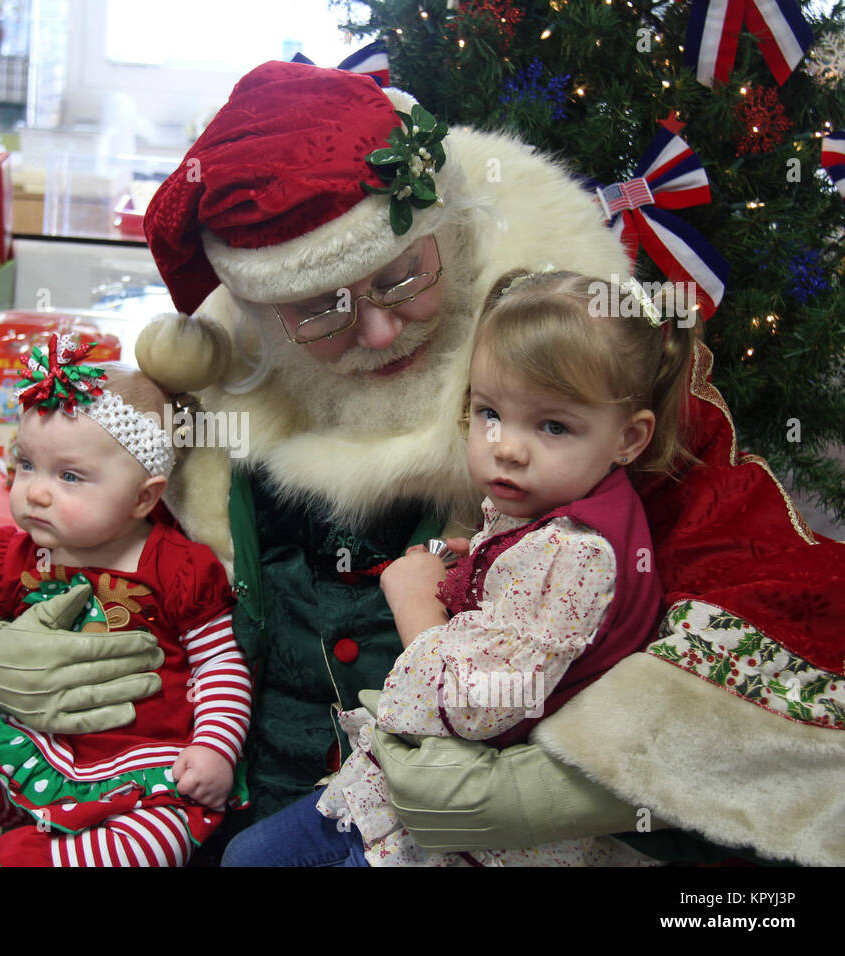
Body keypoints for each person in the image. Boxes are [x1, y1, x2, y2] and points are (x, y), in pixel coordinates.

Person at [0, 60, 845, 866]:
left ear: (448, 231)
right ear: (262, 306)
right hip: (224, 799)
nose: (379, 332)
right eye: (322, 310)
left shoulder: (574, 365)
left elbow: (767, 587)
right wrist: (4, 653)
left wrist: (551, 793)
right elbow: (96, 522)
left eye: (402, 278)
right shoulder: (216, 387)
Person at [223, 268, 699, 866]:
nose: (507, 446)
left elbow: (481, 703)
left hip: (465, 821)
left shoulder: (578, 552)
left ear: (628, 438)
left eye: (553, 425)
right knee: (249, 854)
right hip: (409, 779)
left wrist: (415, 603)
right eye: (489, 412)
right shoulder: (548, 510)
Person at [0, 337, 251, 867]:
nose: (36, 492)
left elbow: (220, 665)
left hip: (143, 763)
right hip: (31, 747)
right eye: (26, 465)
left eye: (69, 476)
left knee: (161, 836)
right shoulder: (21, 557)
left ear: (144, 496)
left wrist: (214, 747)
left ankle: (40, 859)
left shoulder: (177, 568)